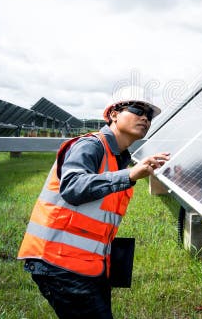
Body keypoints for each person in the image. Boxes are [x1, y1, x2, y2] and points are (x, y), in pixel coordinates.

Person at [17, 96, 170, 319]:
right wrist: (128, 175)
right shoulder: (90, 145)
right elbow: (72, 186)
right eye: (137, 110)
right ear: (114, 114)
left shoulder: (118, 158)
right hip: (60, 261)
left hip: (87, 264)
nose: (145, 118)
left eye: (149, 116)